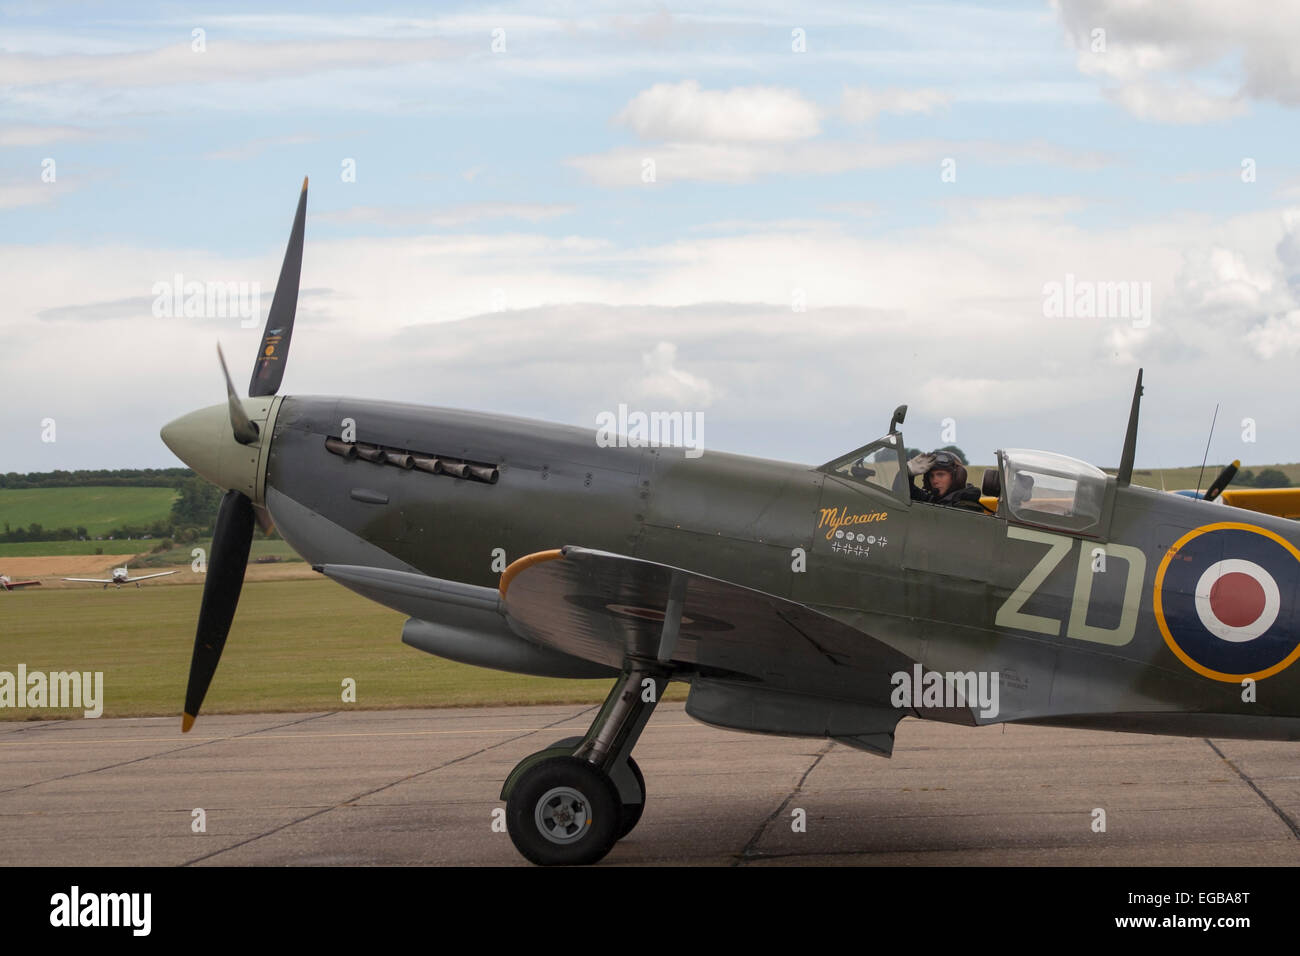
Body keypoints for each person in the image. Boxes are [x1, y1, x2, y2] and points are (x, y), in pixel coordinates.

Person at [907, 450, 985, 511]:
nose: (934, 481)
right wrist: (908, 472)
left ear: (957, 477)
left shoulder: (967, 507)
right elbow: (903, 494)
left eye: (940, 475)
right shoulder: (934, 499)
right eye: (931, 476)